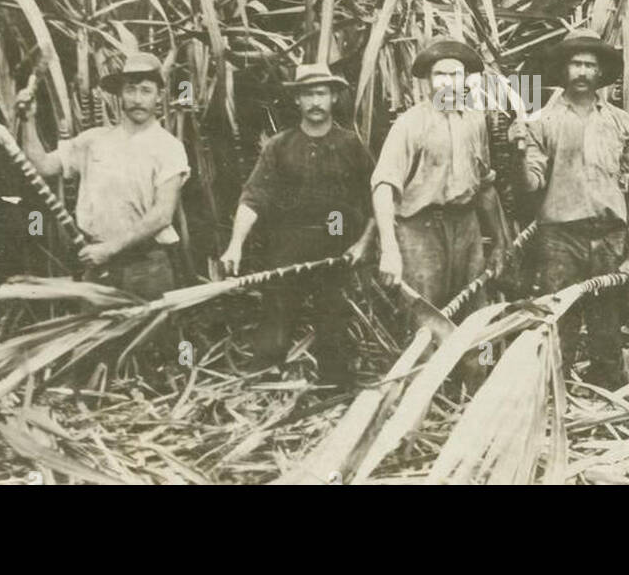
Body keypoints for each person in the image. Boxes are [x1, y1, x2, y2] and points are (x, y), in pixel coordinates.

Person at [220, 63, 375, 386]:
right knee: (276, 317)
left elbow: (377, 198)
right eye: (308, 94)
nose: (315, 101)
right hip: (287, 247)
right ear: (297, 100)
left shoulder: (351, 145)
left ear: (333, 97)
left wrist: (363, 243)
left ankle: (334, 389)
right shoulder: (279, 146)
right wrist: (235, 245)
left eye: (322, 93)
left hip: (336, 247)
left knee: (333, 322)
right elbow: (253, 197)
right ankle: (264, 386)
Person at [507, 28, 629, 390]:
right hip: (559, 236)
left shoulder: (620, 121)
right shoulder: (542, 121)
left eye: (589, 65)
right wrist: (519, 151)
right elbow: (531, 184)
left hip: (609, 234)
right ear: (563, 69)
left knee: (607, 324)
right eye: (575, 64)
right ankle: (553, 396)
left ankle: (607, 399)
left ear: (600, 73)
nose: (582, 72)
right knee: (557, 318)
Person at [20, 51, 190, 299]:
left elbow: (162, 214)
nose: (137, 99)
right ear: (120, 94)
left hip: (146, 268)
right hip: (96, 264)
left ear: (159, 96)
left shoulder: (169, 147)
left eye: (146, 90)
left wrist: (111, 248)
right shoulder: (94, 140)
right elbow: (43, 166)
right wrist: (28, 120)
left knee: (148, 337)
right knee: (98, 337)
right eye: (131, 90)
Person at [372, 39, 508, 326]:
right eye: (440, 74)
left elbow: (484, 185)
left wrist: (498, 242)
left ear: (465, 80)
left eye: (455, 74)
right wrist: (390, 250)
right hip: (420, 232)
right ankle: (422, 371)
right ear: (428, 81)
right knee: (425, 324)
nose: (448, 82)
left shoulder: (475, 121)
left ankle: (477, 371)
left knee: (474, 318)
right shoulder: (410, 124)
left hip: (466, 229)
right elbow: (384, 186)